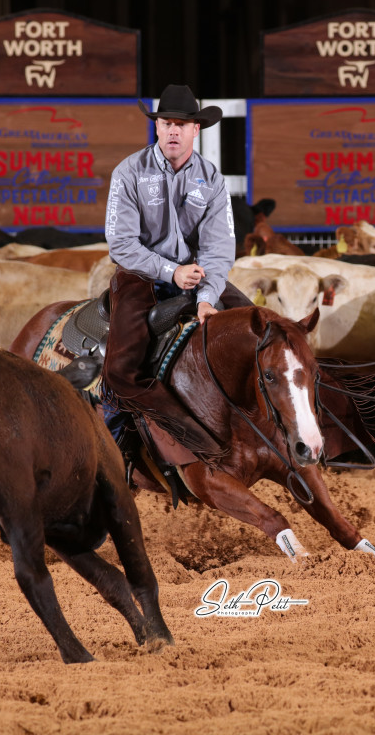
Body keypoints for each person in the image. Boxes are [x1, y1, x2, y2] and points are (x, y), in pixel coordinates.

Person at [102, 84, 251, 465]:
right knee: (120, 367)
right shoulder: (130, 172)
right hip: (139, 275)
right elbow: (121, 244)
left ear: (195, 130)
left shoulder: (212, 179)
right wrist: (171, 270)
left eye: (181, 124)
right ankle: (115, 446)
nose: (173, 130)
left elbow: (219, 249)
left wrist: (206, 296)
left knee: (260, 329)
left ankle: (273, 428)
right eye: (167, 122)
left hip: (198, 275)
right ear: (156, 127)